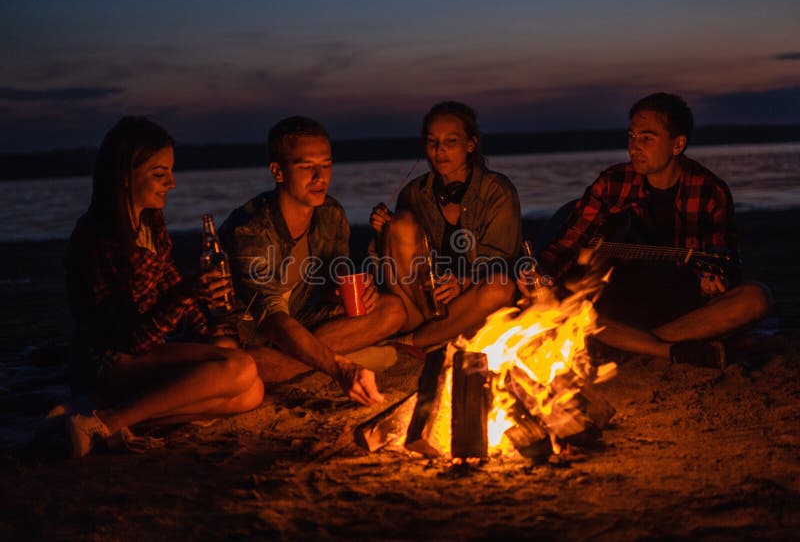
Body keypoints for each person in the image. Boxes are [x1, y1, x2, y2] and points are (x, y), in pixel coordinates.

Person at [522, 93, 770, 367]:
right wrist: (540, 272)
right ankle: (658, 347)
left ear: (678, 145)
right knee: (563, 299)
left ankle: (633, 347)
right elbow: (569, 240)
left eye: (647, 138)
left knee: (755, 298)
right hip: (619, 301)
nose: (634, 147)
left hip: (680, 305)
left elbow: (720, 255)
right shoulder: (613, 182)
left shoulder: (709, 190)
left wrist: (712, 279)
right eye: (632, 136)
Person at [64, 117, 264, 458]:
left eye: (170, 172)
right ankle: (104, 422)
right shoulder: (102, 239)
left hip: (146, 352)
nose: (171, 183)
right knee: (240, 368)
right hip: (110, 360)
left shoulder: (149, 222)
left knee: (251, 393)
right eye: (159, 174)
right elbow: (134, 340)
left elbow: (170, 279)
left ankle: (131, 418)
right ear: (125, 177)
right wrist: (186, 292)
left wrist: (210, 325)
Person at [219, 116, 407, 406]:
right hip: (252, 331)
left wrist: (348, 292)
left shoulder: (331, 213)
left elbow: (337, 275)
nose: (320, 177)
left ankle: (290, 364)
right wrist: (338, 367)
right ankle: (303, 361)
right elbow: (270, 317)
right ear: (278, 172)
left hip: (299, 322)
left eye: (326, 164)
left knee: (392, 309)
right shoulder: (251, 229)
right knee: (240, 359)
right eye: (306, 166)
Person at [370, 101, 521, 354]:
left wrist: (461, 283)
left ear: (470, 145)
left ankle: (416, 341)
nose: (440, 151)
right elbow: (392, 270)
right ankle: (436, 334)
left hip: (469, 304)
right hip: (423, 306)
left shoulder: (497, 190)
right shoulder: (414, 193)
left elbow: (502, 262)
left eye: (450, 141)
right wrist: (383, 233)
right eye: (432, 142)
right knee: (401, 224)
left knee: (501, 287)